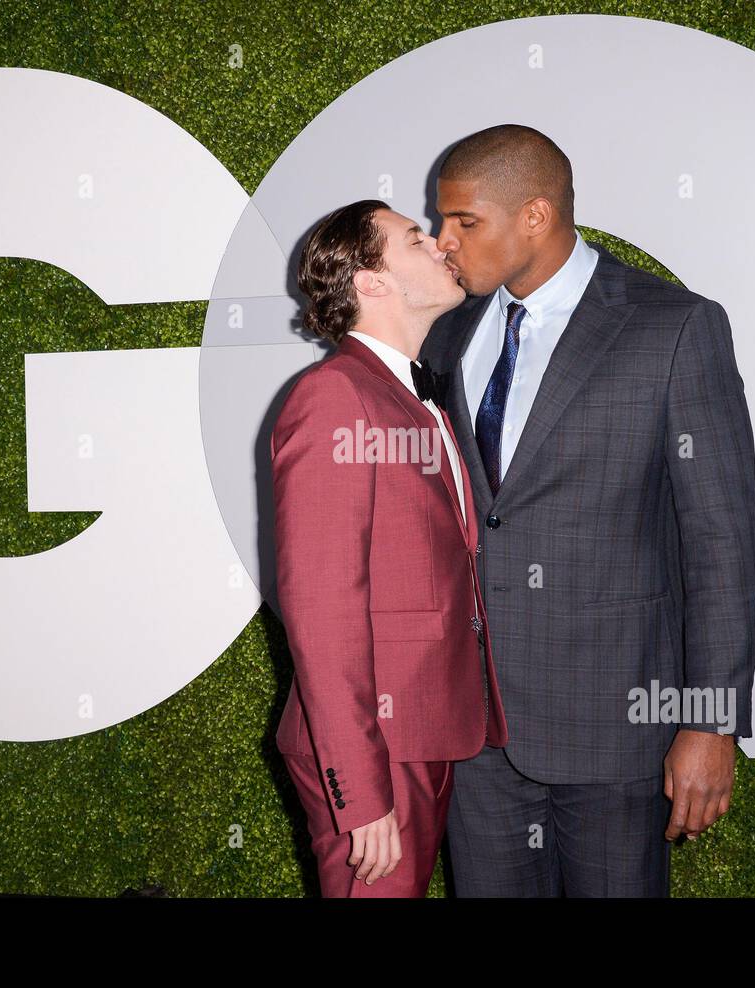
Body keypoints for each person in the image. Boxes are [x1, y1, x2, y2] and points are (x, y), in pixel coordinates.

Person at [421, 124, 755, 896]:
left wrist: (710, 722)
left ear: (535, 217)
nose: (443, 243)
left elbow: (720, 540)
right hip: (473, 733)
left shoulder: (673, 327)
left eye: (464, 222)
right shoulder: (445, 331)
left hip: (620, 730)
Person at [271, 199, 509, 897]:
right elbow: (321, 607)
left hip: (425, 733)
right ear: (371, 281)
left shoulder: (413, 396)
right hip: (375, 748)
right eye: (414, 238)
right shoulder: (334, 398)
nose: (440, 243)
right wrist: (361, 789)